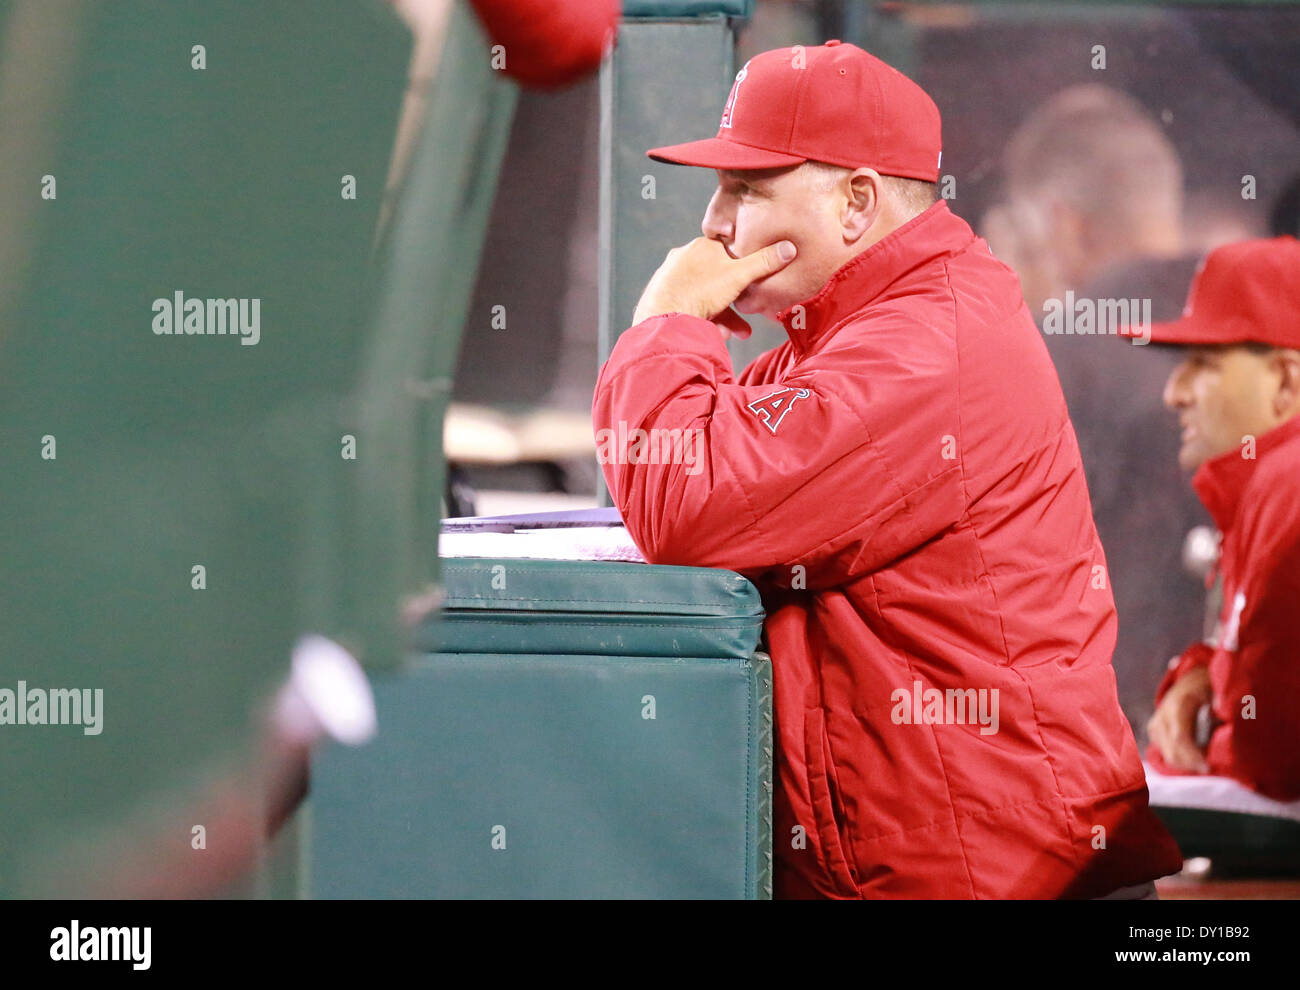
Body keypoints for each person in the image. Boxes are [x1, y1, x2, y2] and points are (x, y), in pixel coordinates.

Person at [592, 41, 1182, 898]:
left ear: (858, 201)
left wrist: (667, 322)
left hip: (1004, 878)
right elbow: (684, 467)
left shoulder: (927, 342)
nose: (715, 225)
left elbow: (688, 506)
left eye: (747, 190)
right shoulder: (850, 334)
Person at [1141, 237, 1300, 802]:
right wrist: (1202, 676)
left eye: (1202, 365)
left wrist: (1204, 746)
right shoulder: (1263, 484)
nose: (1173, 393)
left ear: (1285, 381)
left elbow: (1270, 760)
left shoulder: (1287, 483)